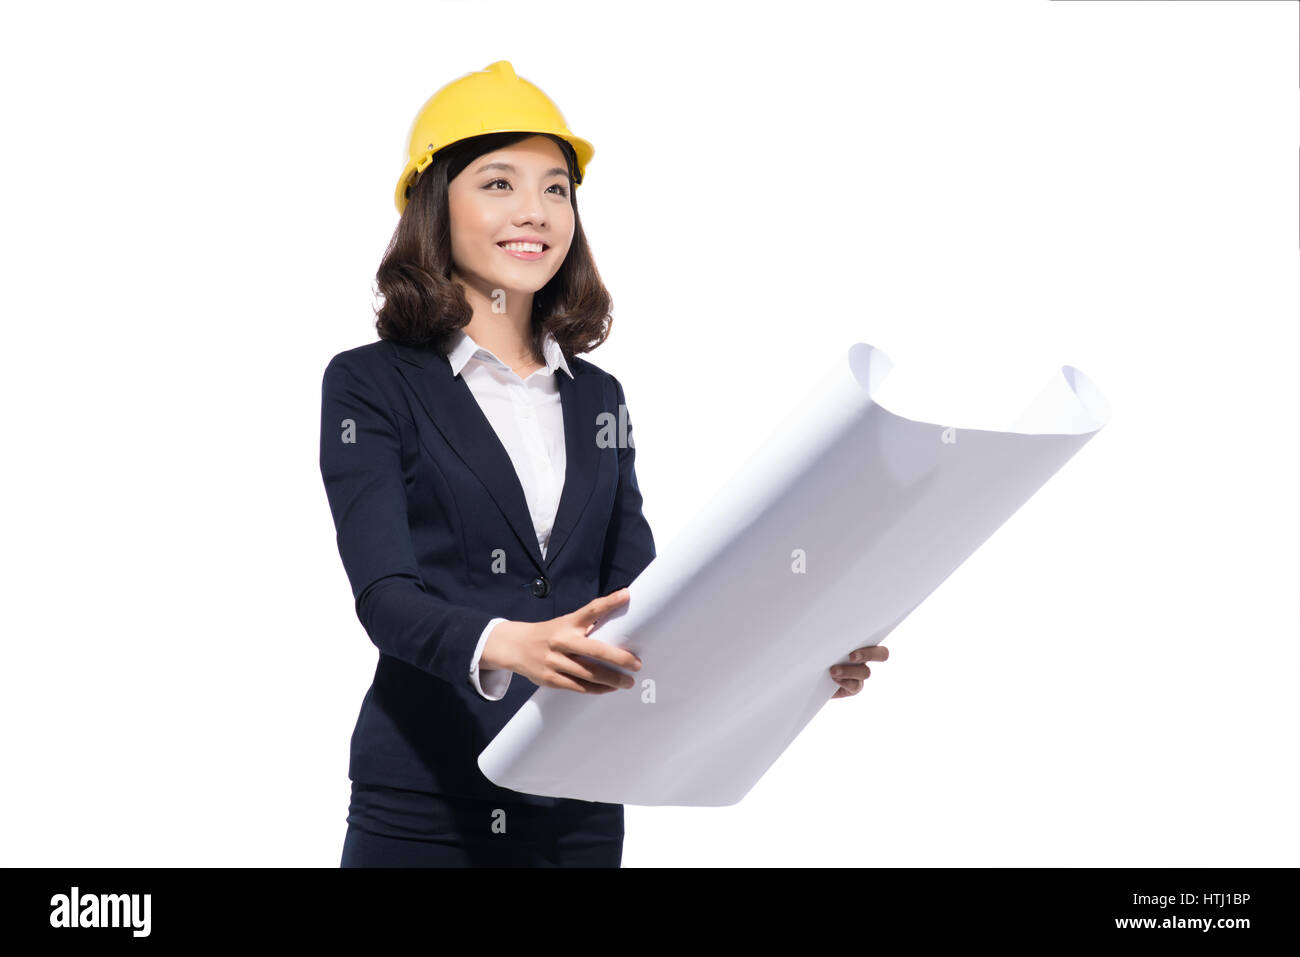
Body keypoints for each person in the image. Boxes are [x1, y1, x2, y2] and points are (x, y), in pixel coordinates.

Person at [319, 61, 887, 868]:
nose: (535, 212)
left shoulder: (597, 397)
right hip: (425, 808)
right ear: (433, 205)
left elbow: (645, 603)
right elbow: (386, 595)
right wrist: (507, 642)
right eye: (498, 183)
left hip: (579, 803)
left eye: (557, 189)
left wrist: (795, 668)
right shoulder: (371, 383)